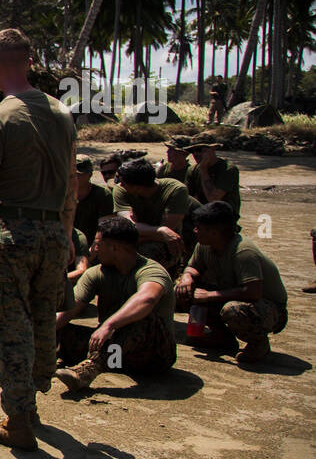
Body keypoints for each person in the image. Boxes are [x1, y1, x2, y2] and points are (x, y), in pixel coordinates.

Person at [0, 28, 76, 451]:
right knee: (42, 318)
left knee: (8, 327)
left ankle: (19, 419)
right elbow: (71, 186)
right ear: (29, 61)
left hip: (10, 235)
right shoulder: (62, 113)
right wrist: (66, 233)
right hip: (53, 234)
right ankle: (32, 398)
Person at [54, 215, 177, 392]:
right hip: (116, 356)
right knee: (60, 331)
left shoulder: (151, 271)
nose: (93, 249)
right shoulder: (97, 273)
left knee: (141, 318)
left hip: (152, 357)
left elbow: (147, 299)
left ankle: (87, 371)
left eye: (98, 244)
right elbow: (69, 309)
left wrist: (109, 325)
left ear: (114, 247)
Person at [176, 200, 287, 364]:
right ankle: (221, 337)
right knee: (182, 291)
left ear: (214, 232)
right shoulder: (206, 245)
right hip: (233, 295)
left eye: (199, 227)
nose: (195, 231)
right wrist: (187, 277)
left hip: (269, 308)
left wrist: (208, 296)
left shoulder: (243, 252)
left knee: (232, 310)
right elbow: (194, 267)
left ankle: (258, 343)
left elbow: (252, 292)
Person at [112, 158, 193, 276]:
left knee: (143, 254)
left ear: (137, 187)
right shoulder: (121, 189)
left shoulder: (175, 190)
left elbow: (169, 233)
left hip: (168, 244)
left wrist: (138, 234)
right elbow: (127, 226)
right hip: (137, 238)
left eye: (123, 182)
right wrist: (160, 230)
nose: (120, 184)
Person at [184, 132, 241, 216]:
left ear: (213, 149)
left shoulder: (228, 170)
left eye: (200, 150)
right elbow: (188, 198)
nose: (196, 154)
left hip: (224, 218)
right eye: (193, 151)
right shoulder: (192, 170)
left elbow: (213, 198)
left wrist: (203, 170)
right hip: (201, 216)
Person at [72, 157, 116, 246]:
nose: (75, 178)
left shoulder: (102, 195)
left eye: (79, 175)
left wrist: (90, 254)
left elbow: (104, 230)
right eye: (72, 174)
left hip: (93, 245)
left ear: (89, 175)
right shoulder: (62, 195)